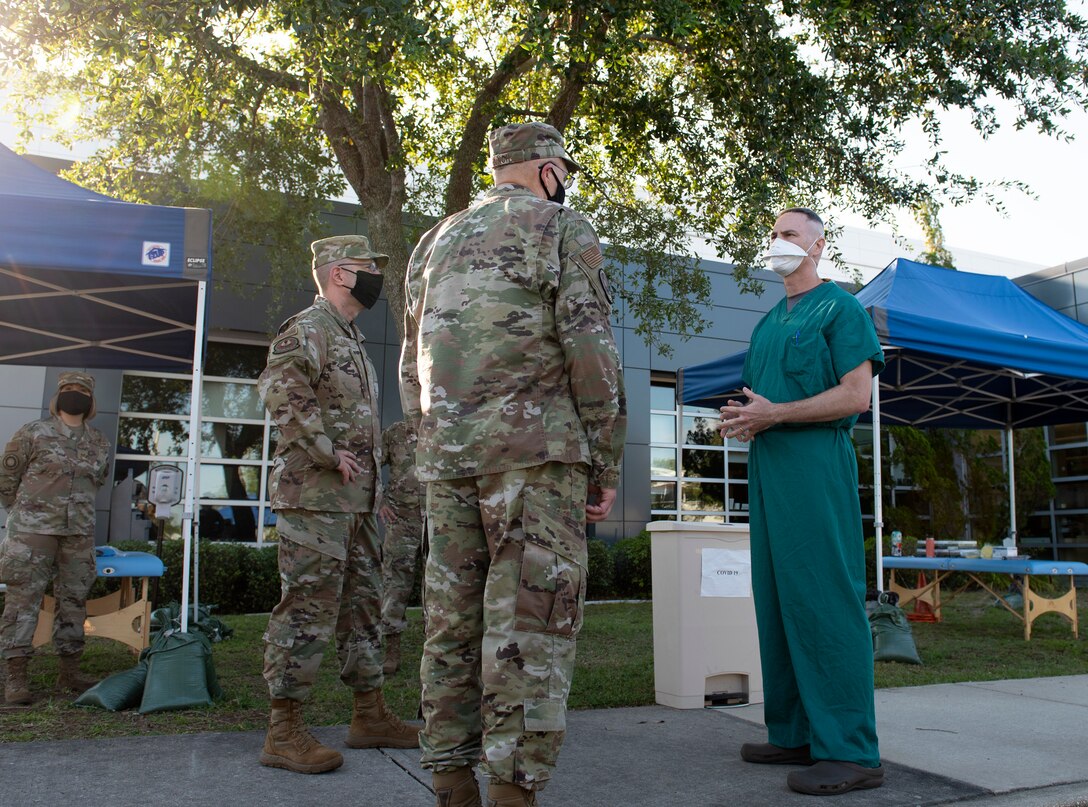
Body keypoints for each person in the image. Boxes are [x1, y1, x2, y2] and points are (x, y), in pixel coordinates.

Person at [401, 121, 627, 807]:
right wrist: (605, 458)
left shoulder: (432, 241)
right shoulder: (560, 227)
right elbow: (590, 351)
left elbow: (412, 363)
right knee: (528, 623)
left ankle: (448, 779)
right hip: (536, 460)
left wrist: (431, 440)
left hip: (448, 462)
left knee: (452, 621)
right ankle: (511, 792)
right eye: (566, 172)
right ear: (549, 168)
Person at [718, 207, 886, 796]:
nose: (777, 243)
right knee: (777, 599)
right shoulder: (768, 322)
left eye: (789, 234)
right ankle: (793, 732)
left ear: (819, 244)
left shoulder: (842, 309)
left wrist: (776, 414)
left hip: (816, 467)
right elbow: (764, 400)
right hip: (770, 470)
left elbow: (855, 396)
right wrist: (744, 418)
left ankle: (850, 750)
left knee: (823, 599)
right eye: (771, 234)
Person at [257, 234, 419, 776]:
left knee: (363, 610)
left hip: (357, 507)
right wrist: (324, 451)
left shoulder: (348, 337)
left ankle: (368, 716)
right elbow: (281, 389)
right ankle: (283, 731)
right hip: (315, 502)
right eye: (367, 267)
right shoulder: (308, 329)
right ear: (340, 273)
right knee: (306, 611)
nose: (375, 275)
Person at [0, 371, 110, 705]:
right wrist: (24, 514)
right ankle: (15, 677)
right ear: (58, 396)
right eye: (68, 389)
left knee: (74, 601)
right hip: (33, 534)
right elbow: (6, 478)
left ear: (91, 401)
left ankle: (70, 671)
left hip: (77, 533)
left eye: (82, 391)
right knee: (22, 603)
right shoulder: (33, 433)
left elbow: (98, 483)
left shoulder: (99, 442)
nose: (75, 395)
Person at [378, 418, 426, 675]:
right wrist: (378, 500)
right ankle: (391, 649)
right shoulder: (395, 432)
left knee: (439, 590)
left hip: (439, 522)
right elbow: (370, 464)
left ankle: (437, 652)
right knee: (396, 586)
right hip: (401, 521)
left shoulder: (445, 424)